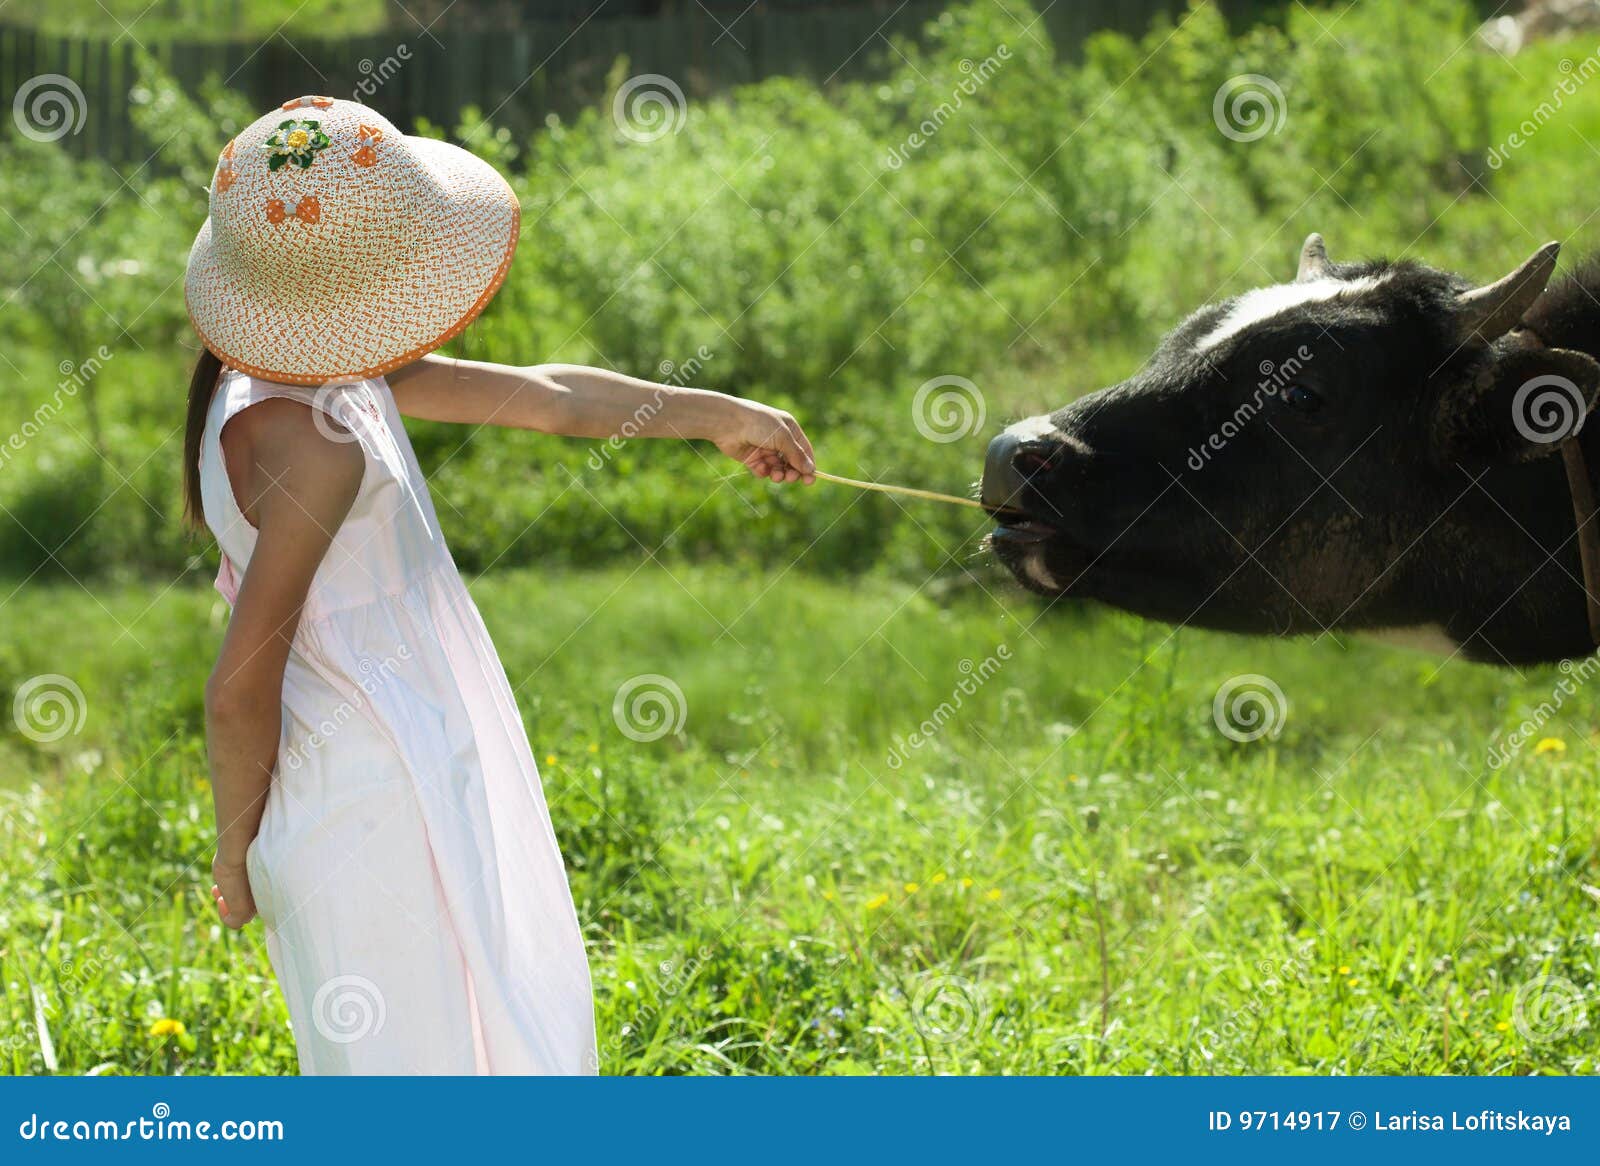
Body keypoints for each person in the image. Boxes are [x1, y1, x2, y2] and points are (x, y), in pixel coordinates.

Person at [182, 95, 815, 1074]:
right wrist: (233, 851)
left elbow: (551, 398)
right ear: (355, 293)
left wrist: (720, 414)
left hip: (372, 773)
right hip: (378, 790)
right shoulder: (318, 446)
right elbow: (237, 686)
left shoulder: (289, 380)